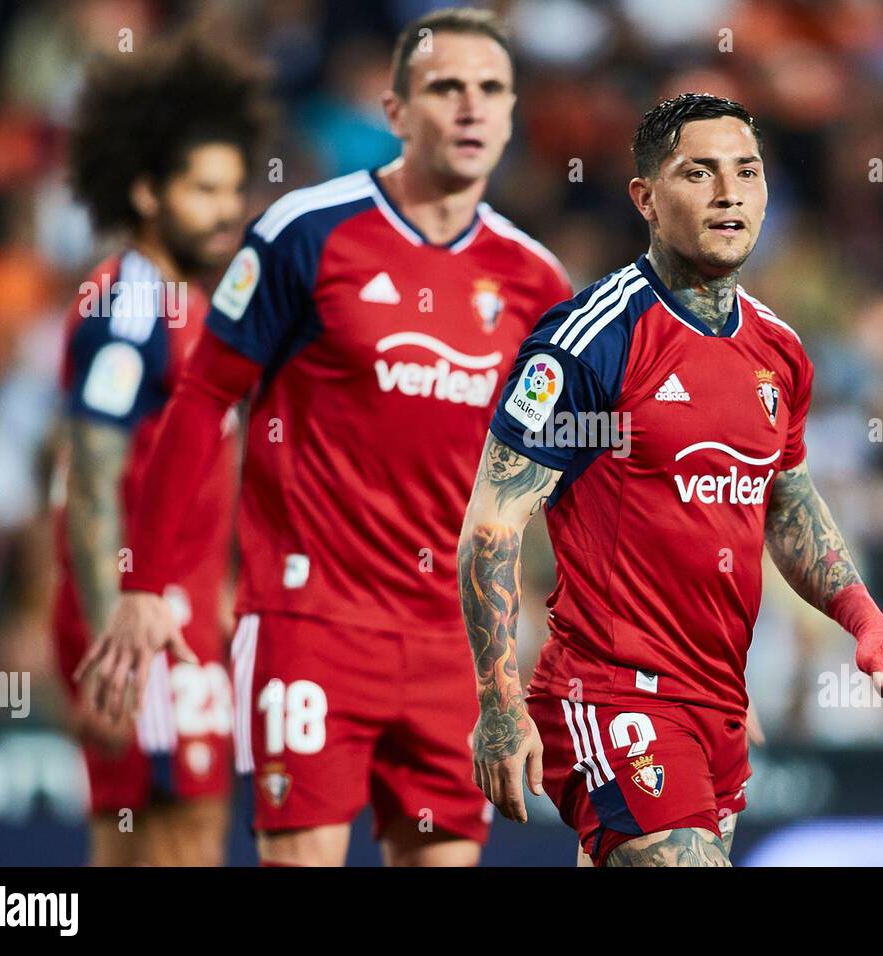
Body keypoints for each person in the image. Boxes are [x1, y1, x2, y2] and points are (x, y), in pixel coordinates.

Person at [77, 8, 570, 867]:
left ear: (512, 114)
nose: (469, 109)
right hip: (314, 625)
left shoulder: (537, 283)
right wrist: (147, 580)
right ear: (394, 110)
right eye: (445, 87)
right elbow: (203, 401)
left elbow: (563, 484)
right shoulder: (307, 232)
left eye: (490, 90)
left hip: (459, 649)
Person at [457, 92, 883, 867]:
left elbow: (784, 495)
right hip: (611, 692)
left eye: (747, 172)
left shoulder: (779, 351)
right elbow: (493, 524)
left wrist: (864, 617)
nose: (729, 193)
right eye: (699, 173)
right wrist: (500, 704)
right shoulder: (592, 340)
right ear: (645, 197)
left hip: (721, 703)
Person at [53, 34, 269, 865]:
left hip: (181, 611)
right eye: (202, 190)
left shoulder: (193, 308)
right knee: (174, 841)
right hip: (137, 624)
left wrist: (219, 582)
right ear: (147, 192)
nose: (225, 210)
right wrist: (109, 646)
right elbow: (92, 484)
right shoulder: (128, 308)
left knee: (167, 838)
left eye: (232, 189)